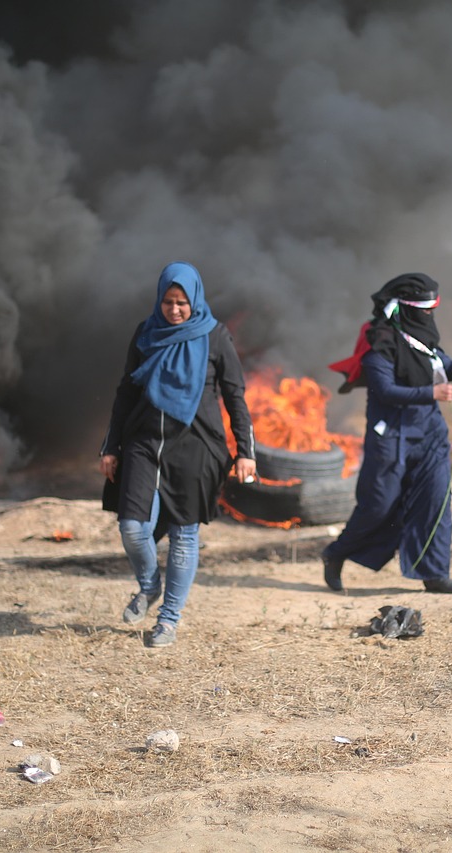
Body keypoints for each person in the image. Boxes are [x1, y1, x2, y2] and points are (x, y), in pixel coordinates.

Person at [100, 262, 256, 647]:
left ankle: (168, 620)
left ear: (195, 300)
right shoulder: (146, 333)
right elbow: (125, 392)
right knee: (133, 528)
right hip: (144, 441)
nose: (174, 310)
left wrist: (245, 452)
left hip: (196, 446)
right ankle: (149, 584)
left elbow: (235, 396)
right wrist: (111, 445)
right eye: (168, 302)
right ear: (160, 300)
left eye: (181, 303)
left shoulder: (215, 336)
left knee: (184, 536)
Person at [323, 272, 452, 594]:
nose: (429, 316)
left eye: (433, 310)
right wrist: (430, 394)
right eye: (425, 310)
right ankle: (335, 554)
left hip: (430, 435)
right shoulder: (379, 346)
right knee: (379, 506)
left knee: (435, 501)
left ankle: (434, 573)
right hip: (390, 439)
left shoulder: (425, 344)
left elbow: (446, 371)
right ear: (406, 309)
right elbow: (386, 390)